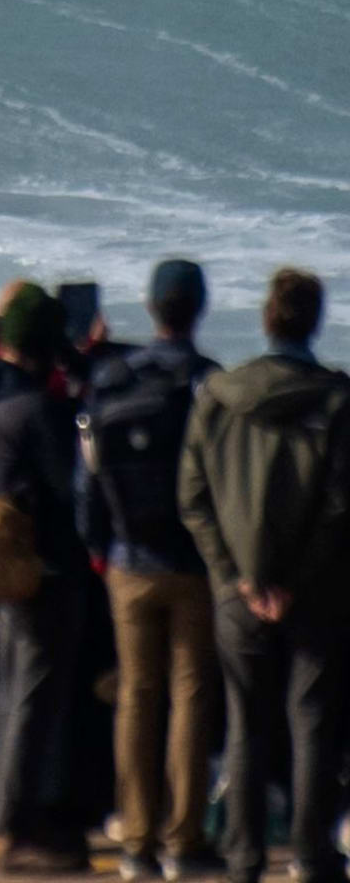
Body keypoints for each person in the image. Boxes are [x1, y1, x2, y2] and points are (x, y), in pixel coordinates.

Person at [181, 266, 350, 883]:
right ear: (316, 321)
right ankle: (309, 856)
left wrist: (238, 576)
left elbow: (193, 497)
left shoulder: (217, 395)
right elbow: (338, 506)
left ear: (265, 318)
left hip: (237, 590)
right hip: (316, 589)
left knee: (246, 721)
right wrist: (294, 581)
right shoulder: (335, 399)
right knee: (312, 722)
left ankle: (243, 855)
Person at [86, 260, 222, 883]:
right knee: (190, 696)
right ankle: (182, 840)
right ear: (199, 309)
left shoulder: (114, 377)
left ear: (150, 308)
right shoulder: (208, 383)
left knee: (137, 698)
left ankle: (136, 844)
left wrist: (100, 544)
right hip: (193, 561)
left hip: (127, 559)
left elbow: (83, 473)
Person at [0, 284, 92, 870]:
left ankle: (2, 811)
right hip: (42, 566)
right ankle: (18, 827)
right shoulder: (40, 413)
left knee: (10, 693)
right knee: (32, 696)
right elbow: (70, 490)